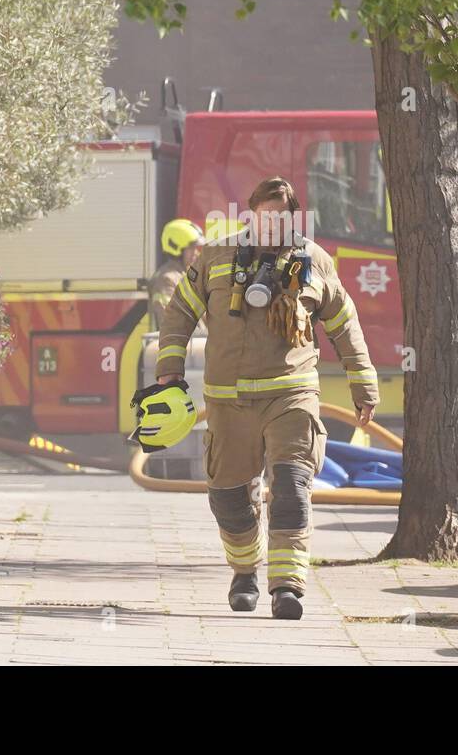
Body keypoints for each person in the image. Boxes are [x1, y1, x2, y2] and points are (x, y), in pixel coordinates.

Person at [154, 177, 379, 620]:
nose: (272, 223)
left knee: (293, 487)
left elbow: (344, 324)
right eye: (265, 214)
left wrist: (363, 383)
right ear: (250, 214)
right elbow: (179, 309)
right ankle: (244, 572)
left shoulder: (313, 261)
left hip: (291, 395)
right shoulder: (216, 256)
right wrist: (169, 368)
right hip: (227, 401)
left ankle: (287, 587)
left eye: (282, 215)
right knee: (229, 498)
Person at [149, 218, 205, 328]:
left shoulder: (185, 276)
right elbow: (172, 323)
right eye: (191, 248)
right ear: (176, 249)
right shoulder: (166, 281)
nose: (196, 253)